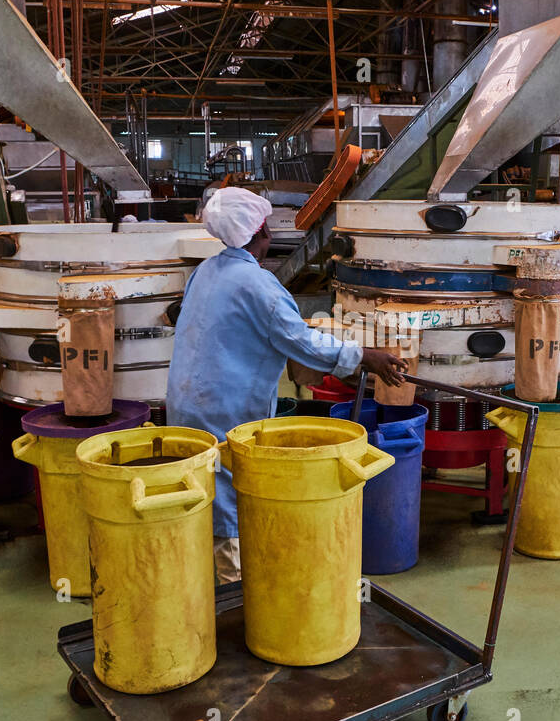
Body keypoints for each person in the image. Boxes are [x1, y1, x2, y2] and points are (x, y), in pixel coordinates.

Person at [166, 186, 406, 583]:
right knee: (229, 496)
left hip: (186, 402)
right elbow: (301, 343)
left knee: (200, 488)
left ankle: (200, 586)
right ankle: (235, 600)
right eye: (268, 226)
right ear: (260, 231)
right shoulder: (257, 286)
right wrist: (365, 356)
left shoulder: (206, 271)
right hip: (226, 408)